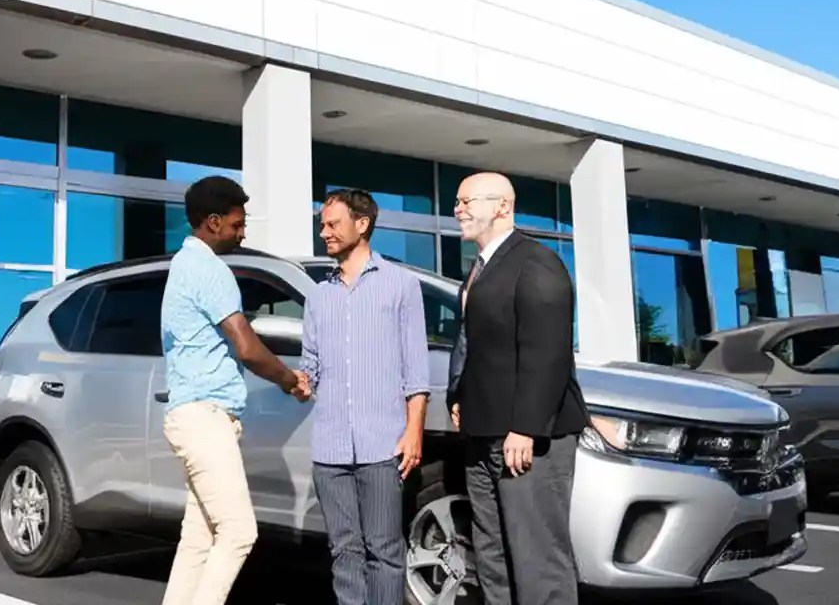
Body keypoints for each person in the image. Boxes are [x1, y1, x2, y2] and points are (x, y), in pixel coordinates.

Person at [159, 175, 312, 605]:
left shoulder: (183, 266)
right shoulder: (211, 270)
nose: (242, 232)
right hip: (205, 420)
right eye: (236, 223)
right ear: (212, 222)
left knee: (200, 538)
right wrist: (290, 379)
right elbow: (246, 347)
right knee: (240, 532)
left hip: (190, 417)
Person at [445, 171, 589, 605]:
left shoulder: (536, 261)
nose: (458, 210)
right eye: (457, 202)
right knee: (492, 554)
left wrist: (526, 427)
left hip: (526, 440)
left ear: (503, 207)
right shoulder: (481, 269)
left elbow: (549, 353)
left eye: (468, 201)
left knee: (537, 558)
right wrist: (459, 397)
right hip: (482, 433)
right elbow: (477, 344)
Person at [300, 188, 430, 605]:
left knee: (386, 551)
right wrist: (300, 381)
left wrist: (414, 432)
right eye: (322, 224)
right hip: (330, 448)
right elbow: (312, 367)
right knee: (344, 552)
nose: (324, 232)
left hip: (383, 444)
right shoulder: (319, 296)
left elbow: (417, 372)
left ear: (362, 224)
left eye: (332, 223)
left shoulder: (402, 286)